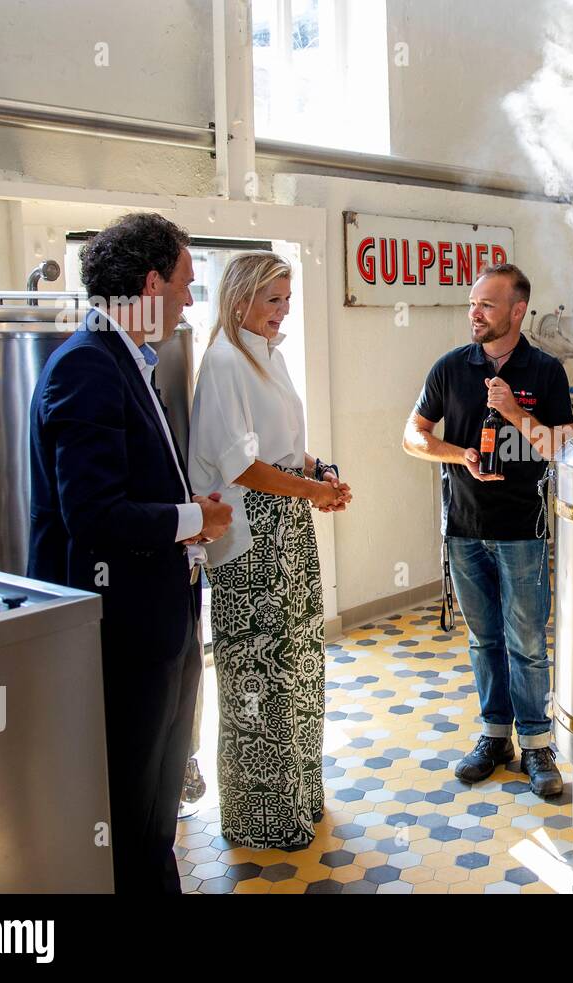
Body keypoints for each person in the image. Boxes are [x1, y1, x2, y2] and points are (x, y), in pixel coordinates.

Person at [28, 212, 232, 894]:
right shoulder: (88, 364)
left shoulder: (123, 357)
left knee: (154, 799)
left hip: (158, 617)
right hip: (123, 628)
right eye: (183, 284)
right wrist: (190, 517)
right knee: (131, 796)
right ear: (150, 281)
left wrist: (186, 517)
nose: (187, 300)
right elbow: (91, 515)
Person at [189, 251, 352, 849]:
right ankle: (260, 817)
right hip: (252, 535)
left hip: (288, 528)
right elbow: (243, 465)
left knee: (299, 668)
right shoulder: (225, 360)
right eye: (273, 300)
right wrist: (310, 489)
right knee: (260, 679)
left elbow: (285, 448)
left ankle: (300, 797)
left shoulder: (269, 358)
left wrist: (324, 476)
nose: (284, 311)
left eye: (288, 298)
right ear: (239, 302)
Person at [402, 263, 573, 797]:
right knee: (484, 641)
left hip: (522, 530)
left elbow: (563, 449)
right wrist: (460, 456)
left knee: (526, 642)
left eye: (486, 305)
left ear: (517, 311)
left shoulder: (546, 372)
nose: (473, 313)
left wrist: (514, 414)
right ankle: (494, 736)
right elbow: (413, 436)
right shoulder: (452, 368)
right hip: (465, 528)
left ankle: (538, 745)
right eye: (472, 303)